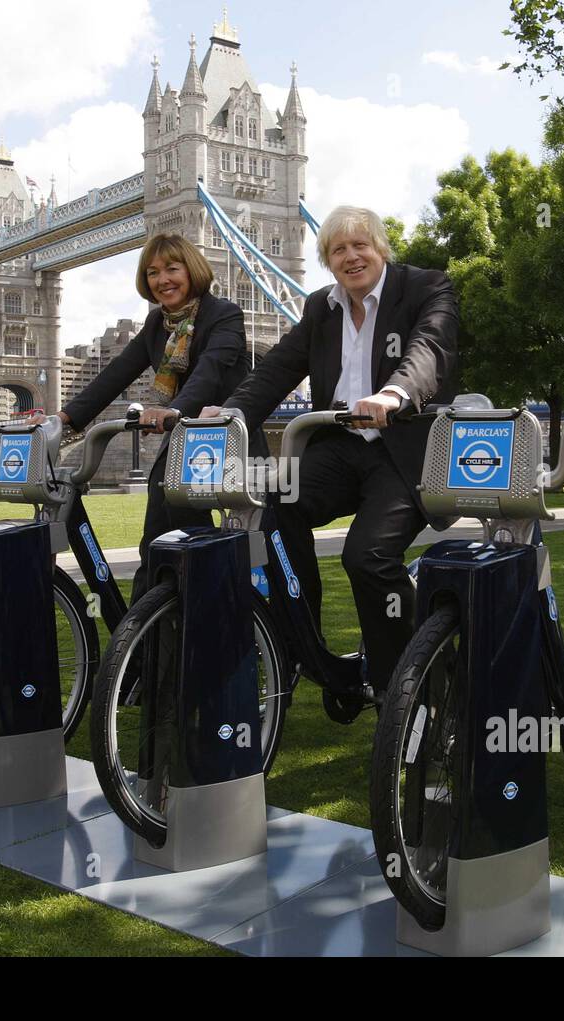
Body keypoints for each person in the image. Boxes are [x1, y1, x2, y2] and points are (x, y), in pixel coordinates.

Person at [200, 205, 459, 700]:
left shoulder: (427, 287)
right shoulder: (322, 307)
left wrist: (394, 394)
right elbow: (277, 368)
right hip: (338, 447)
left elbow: (429, 348)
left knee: (368, 557)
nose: (351, 256)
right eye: (338, 249)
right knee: (271, 505)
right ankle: (301, 647)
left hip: (402, 452)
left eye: (360, 245)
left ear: (380, 249)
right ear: (327, 260)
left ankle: (401, 688)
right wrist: (231, 412)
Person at [57, 232, 263, 597]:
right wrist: (65, 418)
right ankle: (149, 637)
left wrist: (173, 409)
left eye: (172, 268)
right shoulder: (157, 325)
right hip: (185, 438)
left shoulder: (224, 315)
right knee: (160, 541)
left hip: (230, 440)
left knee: (265, 548)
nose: (162, 279)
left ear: (192, 270)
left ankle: (278, 638)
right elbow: (115, 374)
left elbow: (210, 370)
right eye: (152, 272)